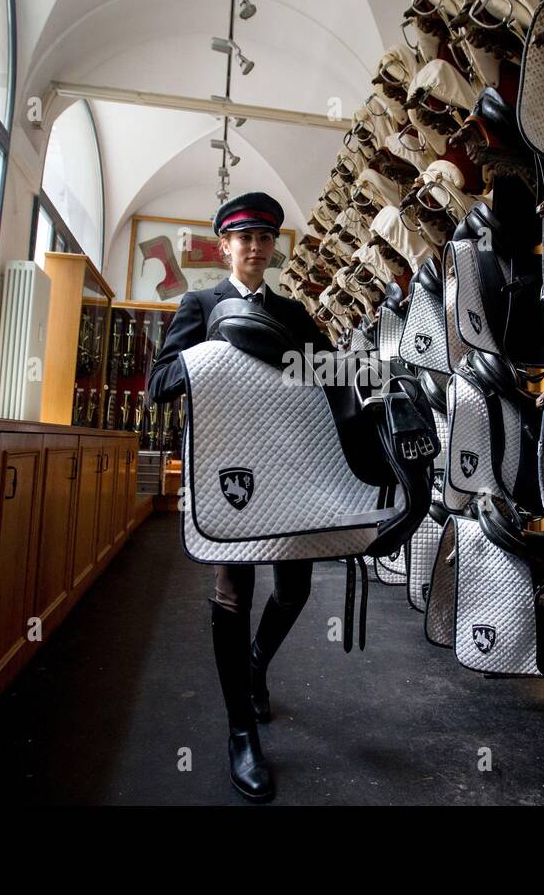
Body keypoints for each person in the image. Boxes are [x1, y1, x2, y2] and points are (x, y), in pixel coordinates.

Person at [148, 191, 333, 803]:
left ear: (273, 247)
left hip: (292, 470)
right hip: (232, 474)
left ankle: (256, 665)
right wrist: (219, 351)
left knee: (296, 588)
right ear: (224, 245)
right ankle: (240, 731)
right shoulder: (200, 304)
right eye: (242, 238)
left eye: (263, 238)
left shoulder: (293, 312)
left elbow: (329, 377)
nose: (254, 248)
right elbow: (160, 383)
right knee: (234, 591)